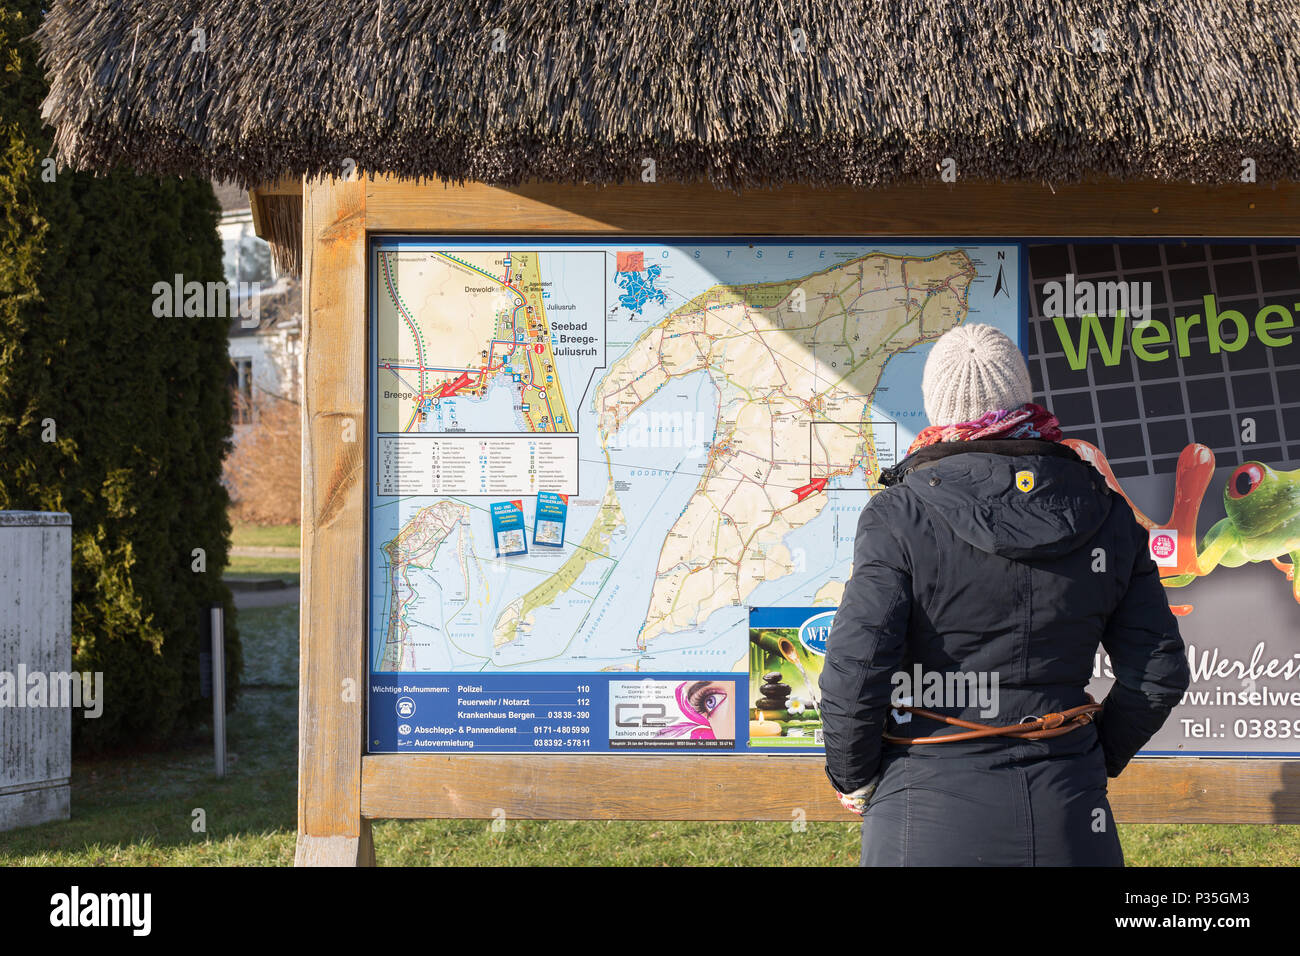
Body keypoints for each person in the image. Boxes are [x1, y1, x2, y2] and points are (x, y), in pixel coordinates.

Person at [818, 323, 1191, 866]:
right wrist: (1082, 756)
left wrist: (853, 778)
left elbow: (855, 669)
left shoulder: (900, 514)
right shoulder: (1107, 512)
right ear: (1023, 393)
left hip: (921, 817)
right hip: (1068, 815)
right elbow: (1157, 672)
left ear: (936, 408)